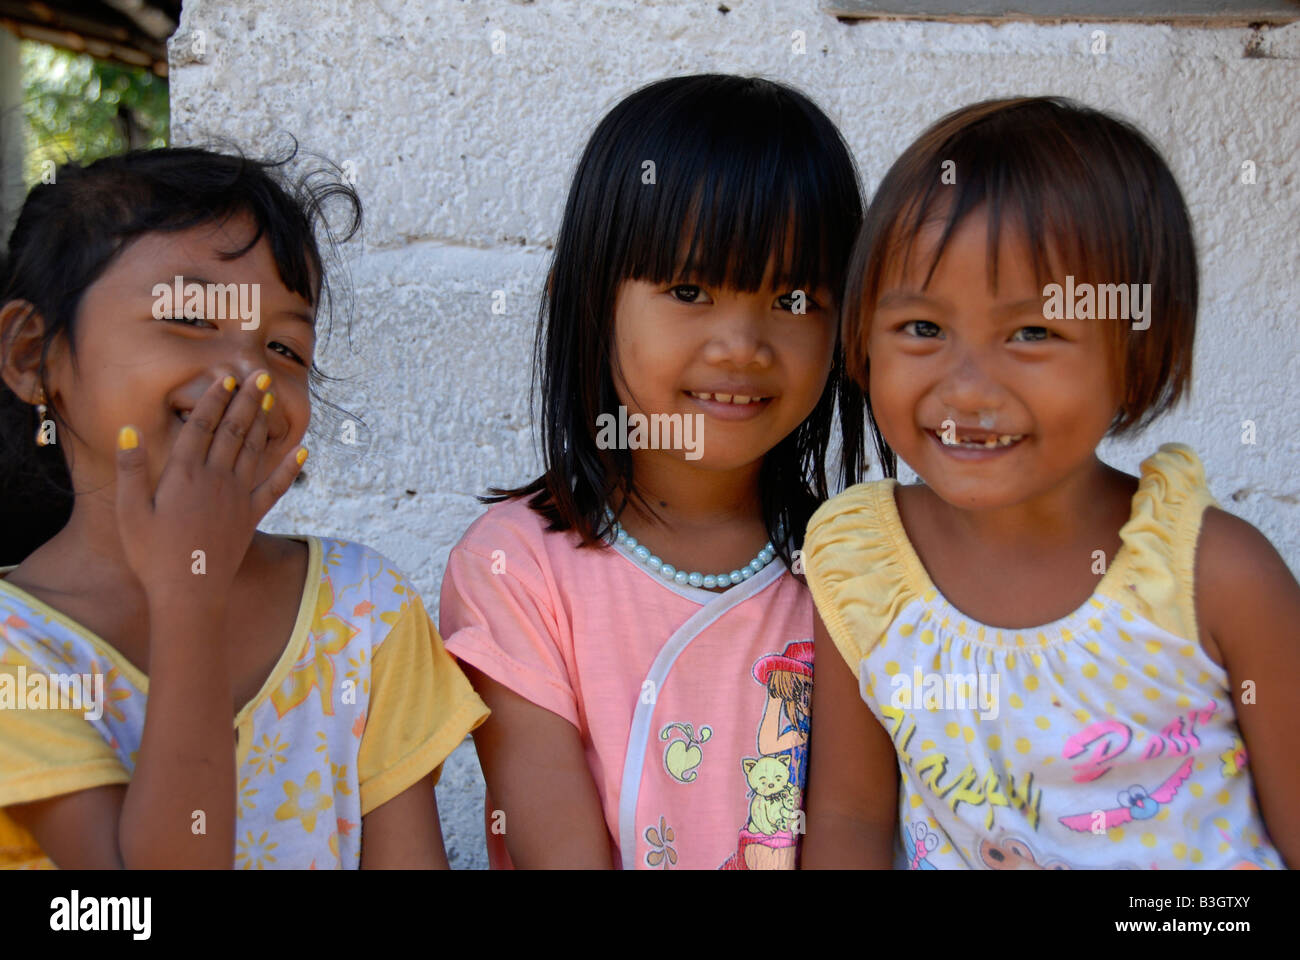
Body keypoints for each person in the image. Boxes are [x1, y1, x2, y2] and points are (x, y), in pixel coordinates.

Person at [801, 96, 1299, 870]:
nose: (966, 389)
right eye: (923, 329)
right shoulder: (864, 566)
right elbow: (847, 819)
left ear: (1140, 354)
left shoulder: (1217, 578)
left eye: (1032, 333)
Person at [0, 146, 488, 869]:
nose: (248, 375)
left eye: (285, 348)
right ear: (34, 355)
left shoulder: (361, 611)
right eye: (192, 318)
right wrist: (190, 599)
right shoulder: (16, 650)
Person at [439, 74, 869, 868]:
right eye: (689, 288)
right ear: (593, 302)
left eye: (795, 298)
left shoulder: (860, 570)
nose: (742, 344)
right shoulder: (515, 569)